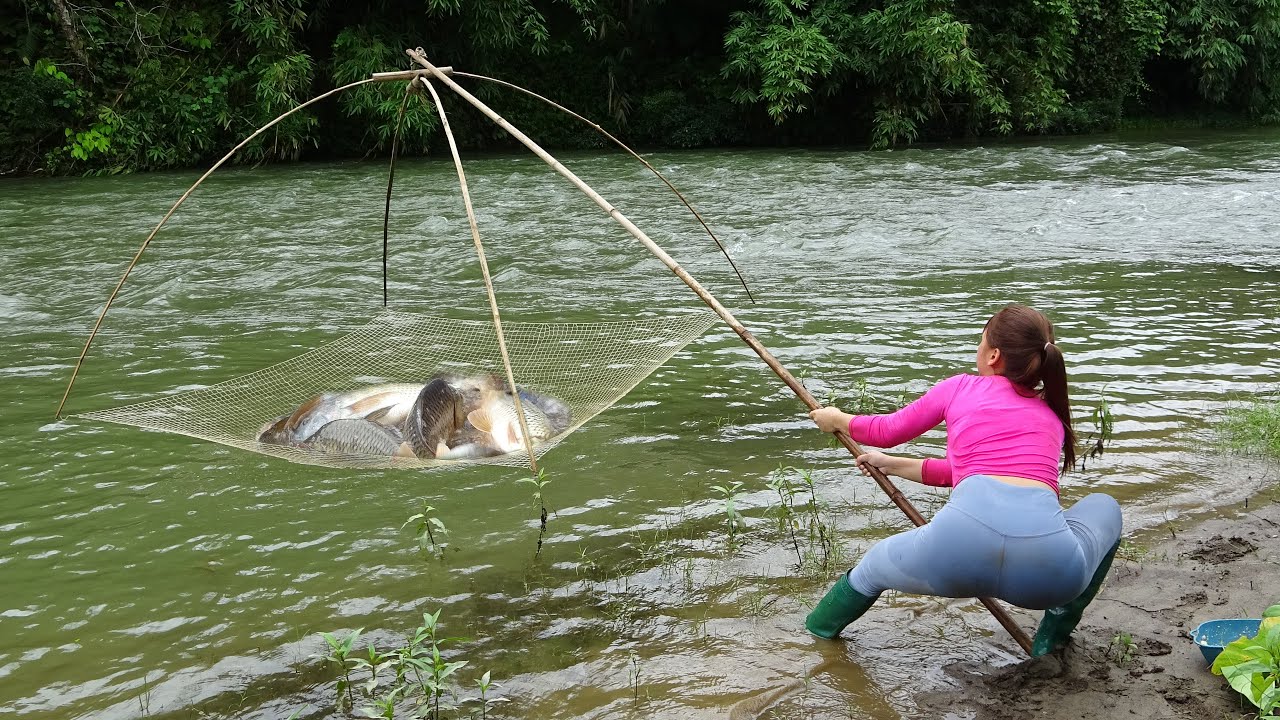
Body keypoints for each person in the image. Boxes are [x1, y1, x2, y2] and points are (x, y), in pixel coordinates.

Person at [805, 303, 1123, 656]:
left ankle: (814, 641)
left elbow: (888, 429)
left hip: (956, 553)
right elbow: (972, 472)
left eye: (981, 341)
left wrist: (837, 419)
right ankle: (1051, 637)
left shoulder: (960, 388)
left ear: (994, 356)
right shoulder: (1051, 416)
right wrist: (892, 465)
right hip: (1050, 576)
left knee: (870, 570)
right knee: (1105, 507)